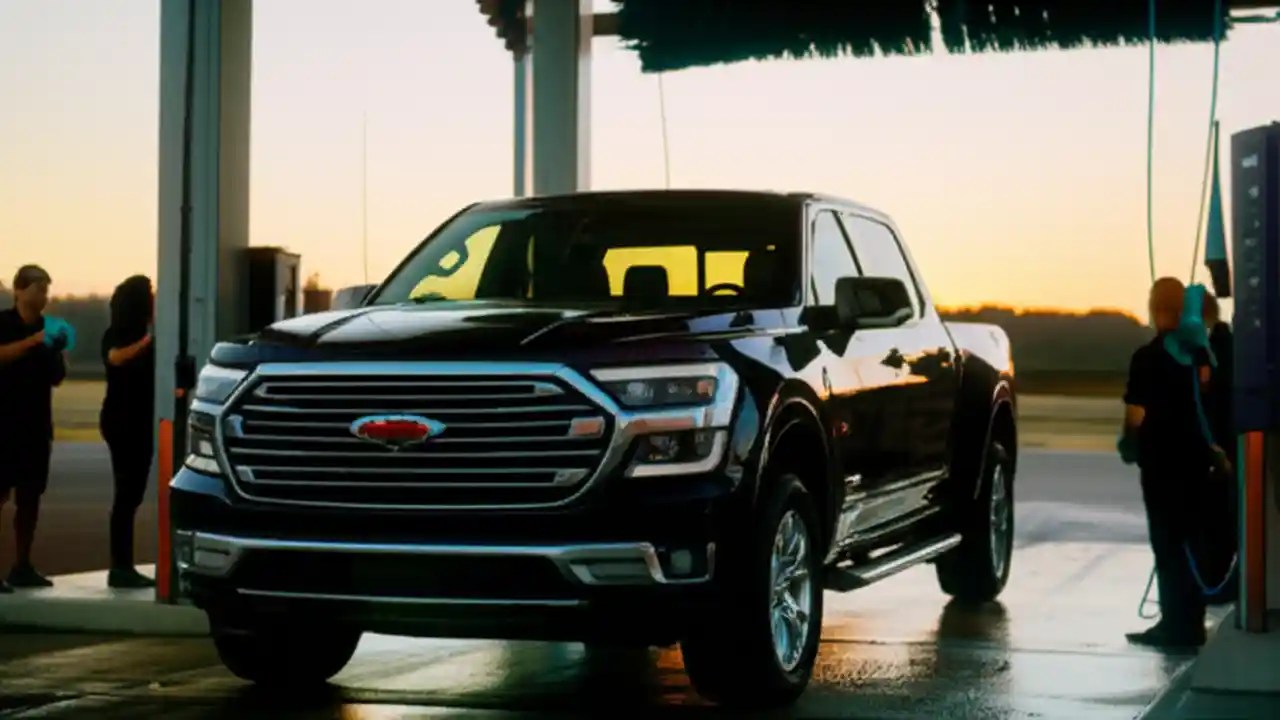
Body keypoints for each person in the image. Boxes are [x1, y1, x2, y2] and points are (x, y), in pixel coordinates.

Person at [1121, 277, 1221, 648]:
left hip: (1161, 465)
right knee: (1194, 542)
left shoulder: (1146, 358)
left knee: (1167, 546)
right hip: (1197, 463)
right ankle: (1192, 621)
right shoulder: (1202, 358)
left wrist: (1129, 444)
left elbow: (1136, 413)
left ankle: (1174, 625)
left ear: (1157, 309)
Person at [0, 265, 67, 592]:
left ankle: (22, 565)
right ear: (19, 289)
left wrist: (55, 348)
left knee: (30, 499)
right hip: (3, 424)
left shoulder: (48, 329)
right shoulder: (3, 323)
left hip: (36, 425)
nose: (44, 296)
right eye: (38, 289)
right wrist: (32, 342)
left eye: (46, 290)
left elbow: (57, 377)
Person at [100, 275, 157, 589]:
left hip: (135, 421)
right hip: (124, 422)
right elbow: (115, 357)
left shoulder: (138, 334)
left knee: (130, 495)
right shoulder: (118, 334)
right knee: (126, 494)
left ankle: (122, 565)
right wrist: (149, 342)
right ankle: (120, 567)